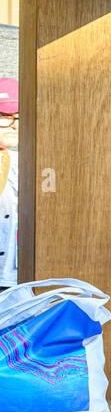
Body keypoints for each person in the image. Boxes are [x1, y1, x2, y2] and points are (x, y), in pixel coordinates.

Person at [0, 78, 18, 292]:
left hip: (14, 280)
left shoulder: (23, 163)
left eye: (19, 117)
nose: (14, 124)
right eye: (5, 117)